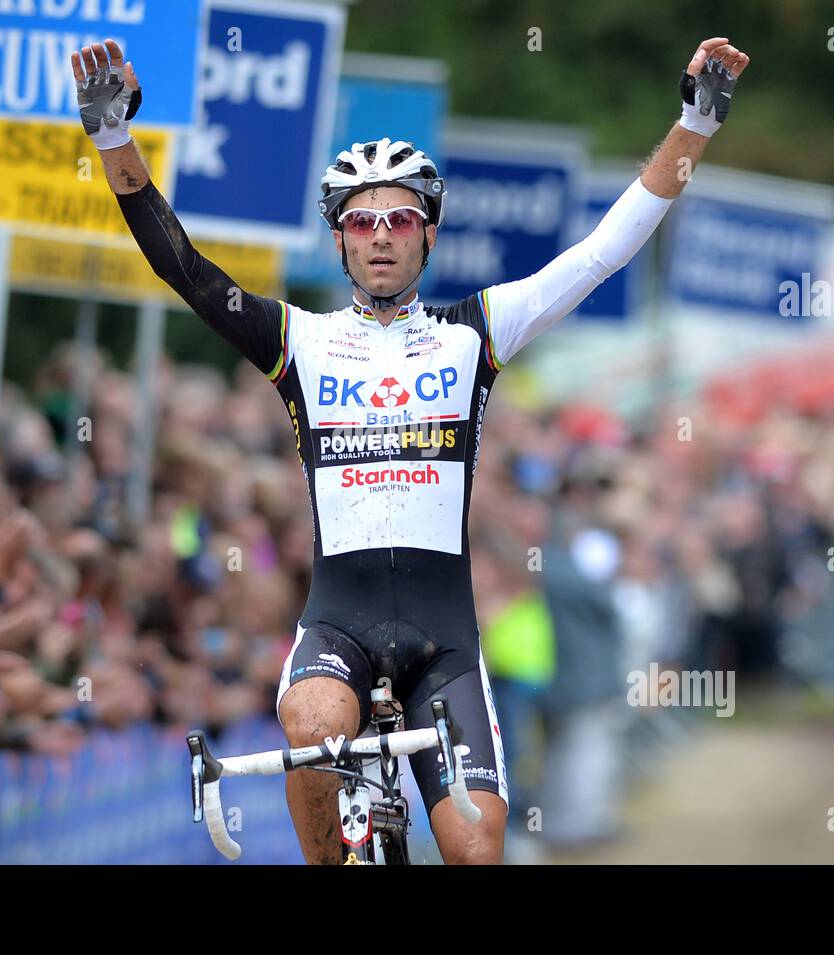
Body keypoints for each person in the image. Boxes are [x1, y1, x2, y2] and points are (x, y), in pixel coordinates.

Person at [74, 35, 750, 864]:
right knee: (312, 724)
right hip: (338, 625)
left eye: (400, 218)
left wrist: (697, 120)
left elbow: (606, 249)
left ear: (428, 236)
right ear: (341, 242)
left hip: (445, 642)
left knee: (475, 850)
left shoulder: (477, 331)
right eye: (362, 222)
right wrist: (112, 137)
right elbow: (184, 267)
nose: (381, 235)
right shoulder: (302, 340)